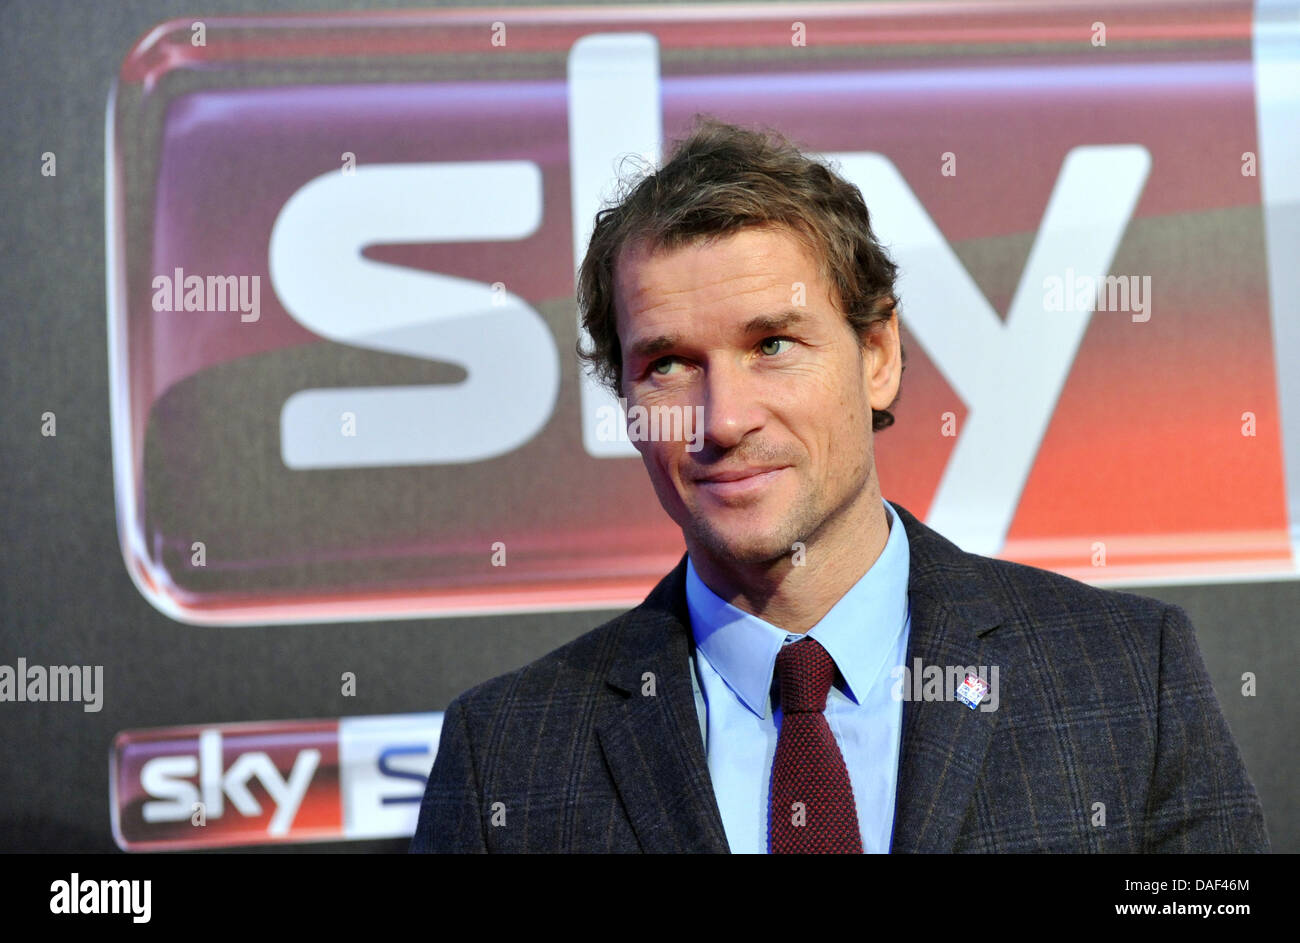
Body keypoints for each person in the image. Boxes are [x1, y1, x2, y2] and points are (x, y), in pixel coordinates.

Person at [411, 117, 1268, 853]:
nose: (724, 418)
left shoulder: (1123, 676)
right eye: (668, 363)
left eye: (773, 344)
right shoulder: (508, 756)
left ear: (879, 355)